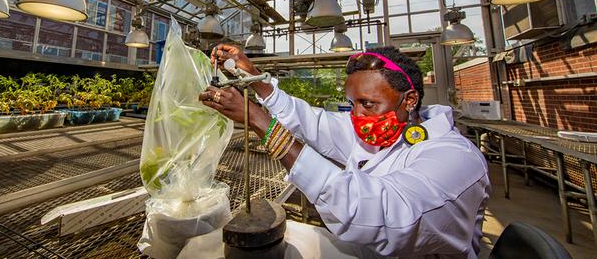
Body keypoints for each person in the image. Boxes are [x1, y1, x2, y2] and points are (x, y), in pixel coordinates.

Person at [199, 44, 491, 258]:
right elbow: (310, 121)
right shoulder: (371, 129)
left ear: (410, 99)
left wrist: (257, 119)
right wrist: (258, 80)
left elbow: (379, 214)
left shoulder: (457, 159)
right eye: (352, 104)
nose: (357, 115)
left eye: (367, 103)